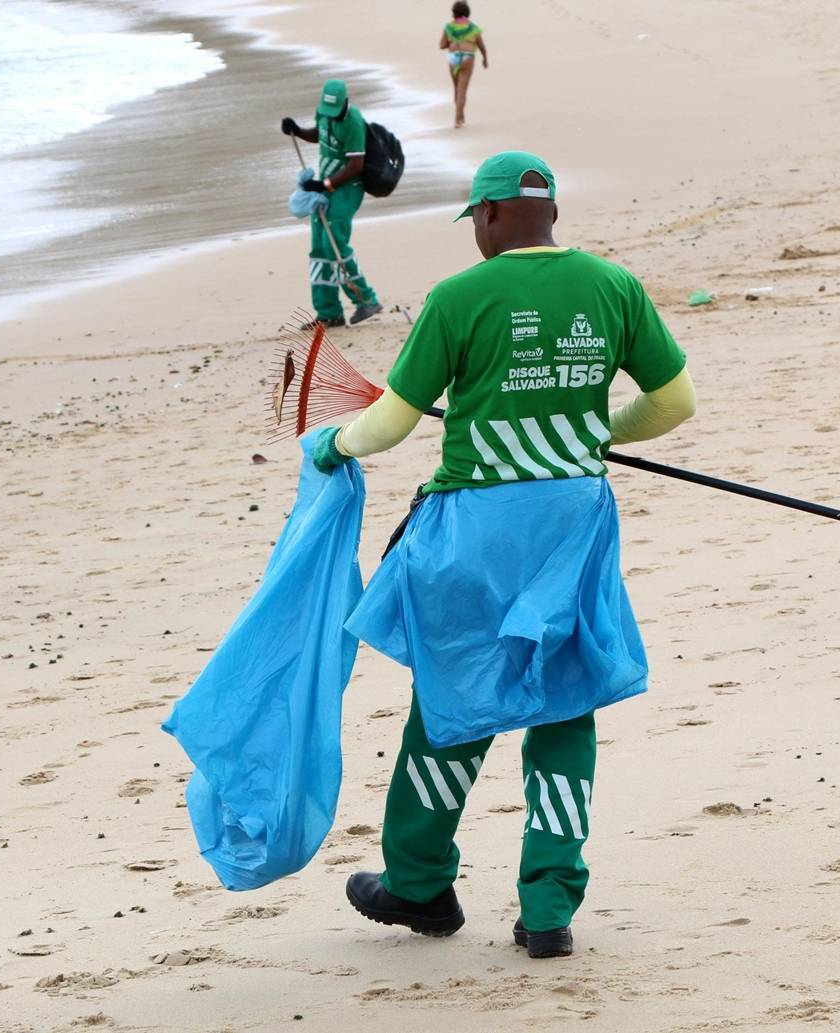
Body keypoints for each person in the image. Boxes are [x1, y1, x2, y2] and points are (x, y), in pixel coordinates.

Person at [310, 152, 697, 958]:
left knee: (454, 693)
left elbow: (389, 424)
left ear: (487, 217)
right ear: (549, 211)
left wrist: (330, 446)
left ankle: (418, 883)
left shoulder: (459, 298)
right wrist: (597, 432)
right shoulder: (614, 288)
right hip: (574, 522)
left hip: (476, 530)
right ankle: (549, 905)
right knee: (563, 699)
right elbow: (675, 401)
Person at [281, 79, 382, 328]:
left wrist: (325, 185)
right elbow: (319, 134)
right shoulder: (324, 112)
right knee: (319, 250)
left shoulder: (353, 121)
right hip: (326, 189)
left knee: (334, 243)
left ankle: (366, 300)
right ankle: (328, 313)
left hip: (346, 190)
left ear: (345, 102)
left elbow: (356, 165)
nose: (330, 117)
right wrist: (297, 130)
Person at [439, 2, 488, 128]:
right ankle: (458, 119)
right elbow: (481, 45)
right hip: (467, 57)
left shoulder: (449, 27)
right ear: (467, 13)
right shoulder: (473, 27)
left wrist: (452, 43)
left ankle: (460, 115)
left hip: (453, 58)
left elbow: (442, 45)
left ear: (454, 13)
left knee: (456, 88)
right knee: (462, 90)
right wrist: (485, 58)